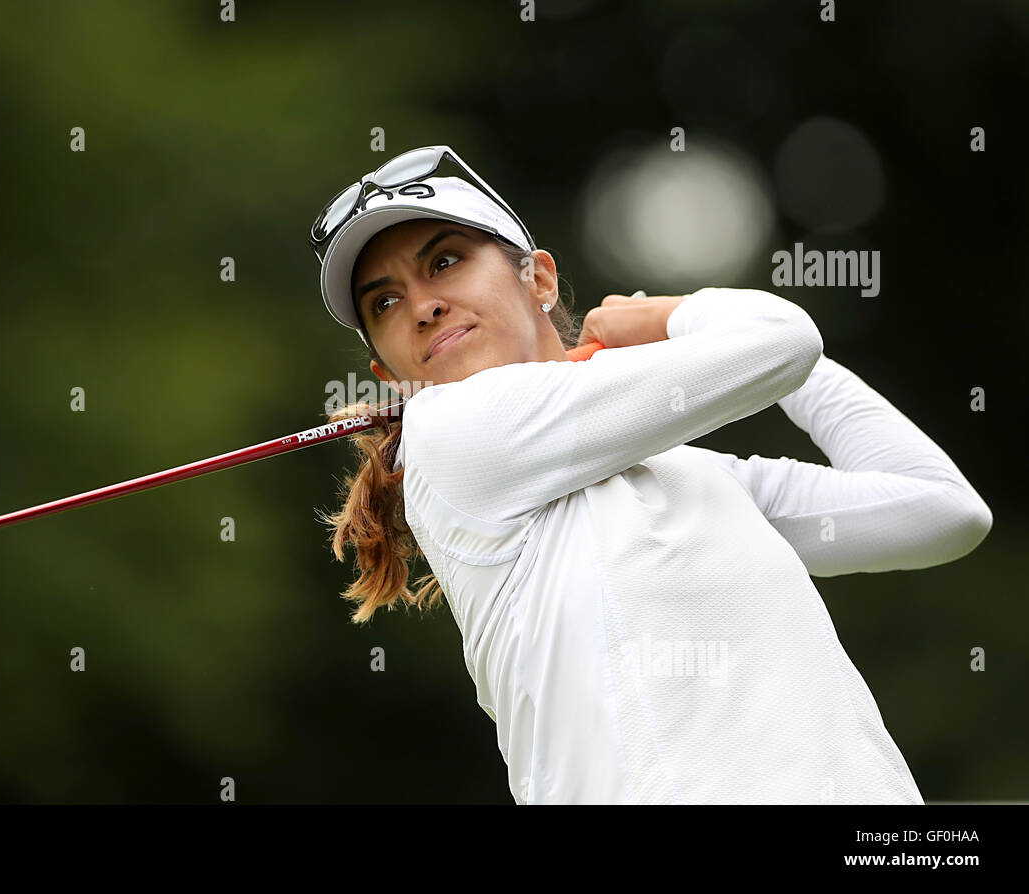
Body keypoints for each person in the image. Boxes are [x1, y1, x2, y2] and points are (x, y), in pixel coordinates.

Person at [309, 145, 994, 804]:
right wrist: (675, 319)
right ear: (391, 374)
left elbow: (938, 508)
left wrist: (727, 351)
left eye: (446, 261)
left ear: (538, 279)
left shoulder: (697, 477)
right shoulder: (451, 434)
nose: (423, 305)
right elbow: (784, 340)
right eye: (385, 303)